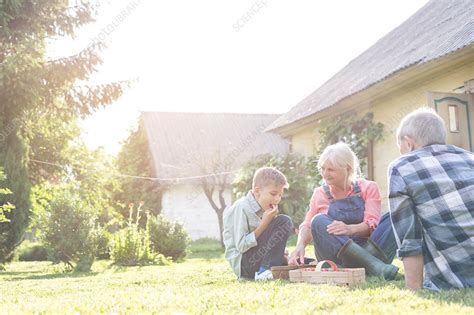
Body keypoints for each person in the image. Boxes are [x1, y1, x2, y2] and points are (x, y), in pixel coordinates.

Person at [389, 107, 474, 290]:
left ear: (408, 143)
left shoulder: (402, 166)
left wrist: (414, 289)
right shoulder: (470, 158)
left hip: (458, 279)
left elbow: (409, 236)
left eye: (401, 149)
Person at [289, 142, 398, 279]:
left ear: (347, 168)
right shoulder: (320, 193)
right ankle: (374, 266)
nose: (324, 174)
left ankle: (364, 264)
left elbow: (372, 224)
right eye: (322, 168)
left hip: (368, 249)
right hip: (335, 257)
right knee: (318, 220)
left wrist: (349, 229)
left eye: (331, 169)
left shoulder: (368, 188)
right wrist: (300, 245)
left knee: (395, 215)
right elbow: (307, 225)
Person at [223, 167, 293, 280]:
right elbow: (241, 246)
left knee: (297, 261)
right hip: (245, 265)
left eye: (280, 195)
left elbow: (267, 242)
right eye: (273, 194)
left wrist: (279, 251)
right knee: (284, 221)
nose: (277, 199)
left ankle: (271, 269)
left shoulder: (264, 209)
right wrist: (264, 224)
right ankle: (265, 272)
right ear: (257, 191)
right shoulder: (242, 208)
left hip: (260, 259)